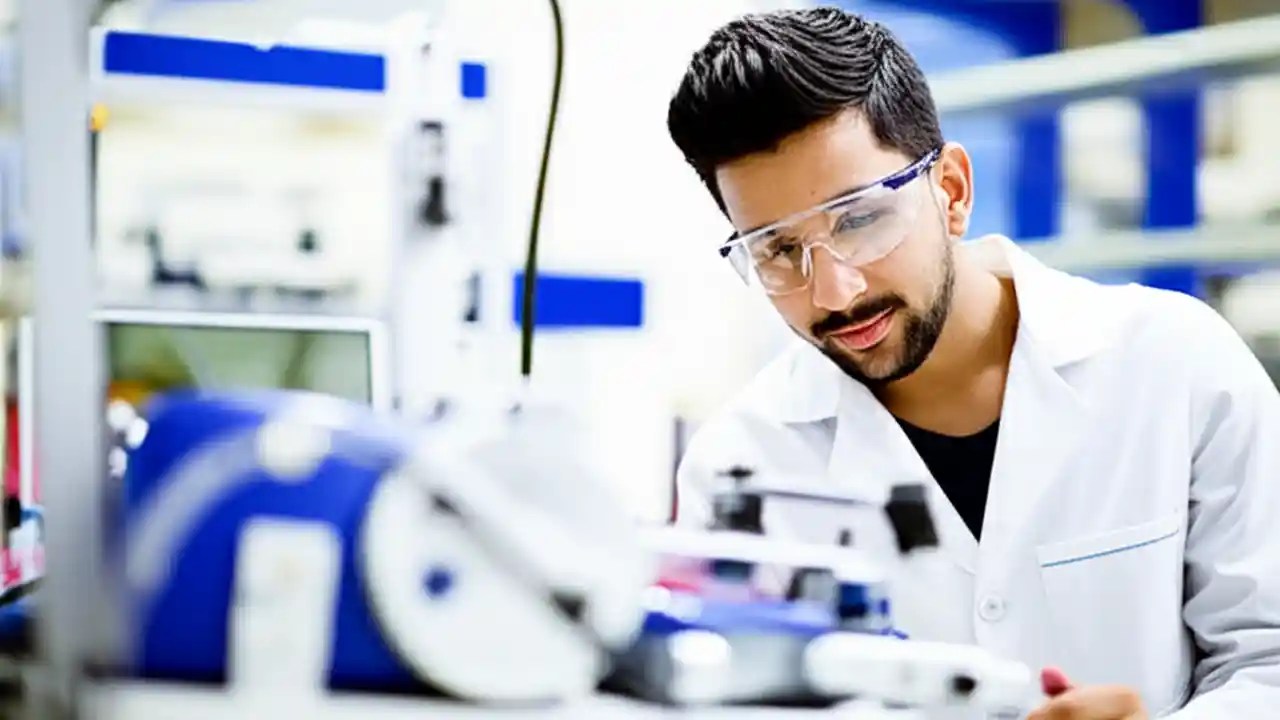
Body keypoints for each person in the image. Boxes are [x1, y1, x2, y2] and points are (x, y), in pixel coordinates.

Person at [665, 7, 1280, 719]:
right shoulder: (740, 461)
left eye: (860, 218)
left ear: (951, 190)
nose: (834, 290)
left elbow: (1269, 658)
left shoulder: (1177, 364)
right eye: (776, 249)